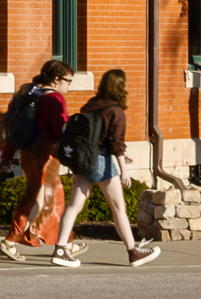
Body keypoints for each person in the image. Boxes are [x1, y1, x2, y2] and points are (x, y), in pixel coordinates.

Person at [48, 67, 161, 268]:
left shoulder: (91, 105)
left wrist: (120, 154)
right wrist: (123, 170)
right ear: (120, 87)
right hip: (101, 161)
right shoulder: (116, 111)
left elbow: (94, 135)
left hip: (82, 159)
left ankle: (60, 249)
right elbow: (116, 142)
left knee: (74, 205)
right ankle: (133, 252)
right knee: (118, 208)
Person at [0, 59, 74, 262]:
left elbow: (16, 127)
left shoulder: (29, 97)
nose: (69, 86)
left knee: (46, 199)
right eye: (68, 81)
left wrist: (6, 155)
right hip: (46, 157)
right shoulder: (54, 99)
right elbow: (61, 129)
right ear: (56, 80)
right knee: (43, 201)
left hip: (27, 155)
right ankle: (11, 241)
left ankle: (68, 242)